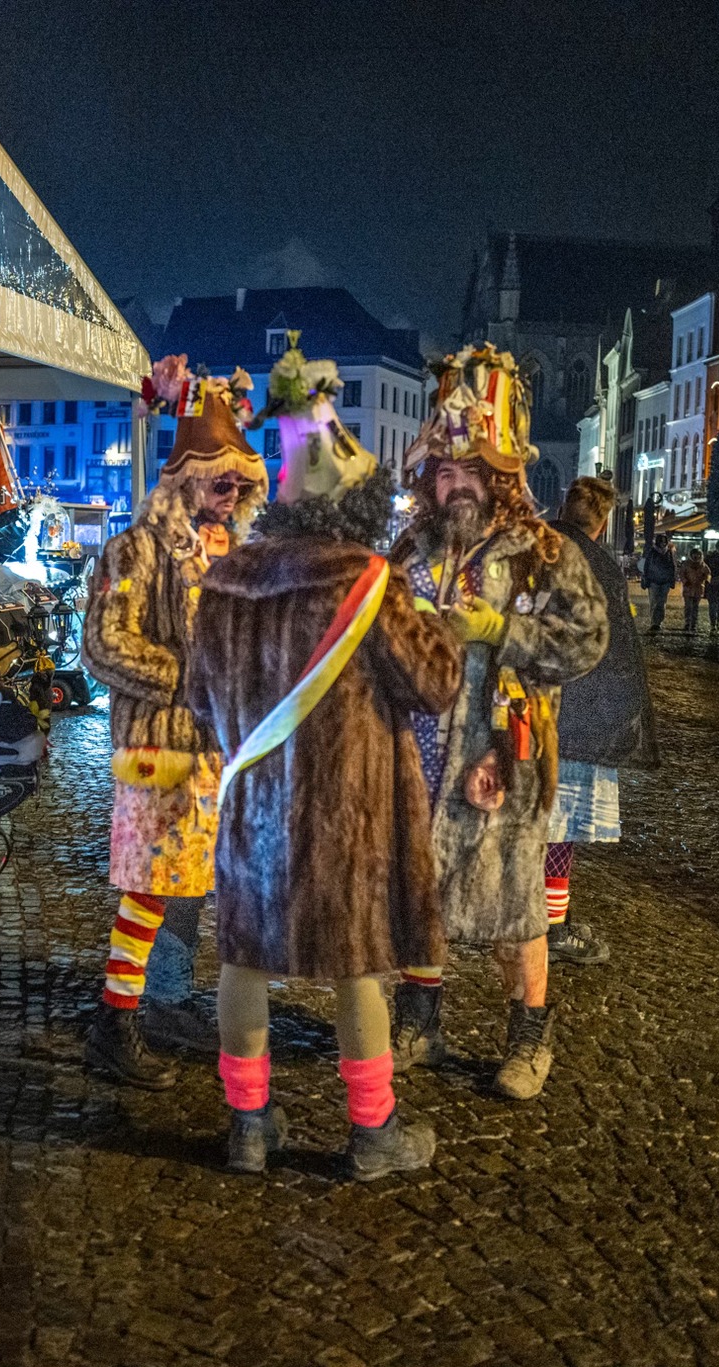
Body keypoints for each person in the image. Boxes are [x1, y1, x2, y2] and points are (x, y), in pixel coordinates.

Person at [185, 344, 461, 1178]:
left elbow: (200, 697)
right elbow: (438, 682)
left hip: (250, 815)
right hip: (348, 817)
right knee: (357, 972)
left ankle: (250, 1128)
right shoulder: (370, 579)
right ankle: (373, 1133)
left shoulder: (226, 578)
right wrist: (442, 621)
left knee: (242, 964)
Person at [387, 346, 609, 1100]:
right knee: (422, 905)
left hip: (504, 765)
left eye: (472, 471)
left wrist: (501, 633)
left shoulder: (542, 552)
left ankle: (529, 1036)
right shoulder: (410, 551)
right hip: (417, 758)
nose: (457, 485)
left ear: (501, 476)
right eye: (445, 471)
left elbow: (588, 639)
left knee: (518, 912)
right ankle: (420, 1019)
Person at [82, 356, 268, 1088]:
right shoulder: (138, 549)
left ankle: (164, 999)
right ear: (186, 475)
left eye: (239, 482)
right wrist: (187, 678)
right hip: (159, 746)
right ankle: (116, 1019)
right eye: (220, 478)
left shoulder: (241, 556)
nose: (231, 492)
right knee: (152, 886)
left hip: (222, 749)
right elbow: (102, 644)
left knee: (196, 881)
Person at [544, 477, 658, 966]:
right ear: (604, 521)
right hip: (577, 720)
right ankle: (551, 926)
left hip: (525, 712)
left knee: (532, 824)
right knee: (560, 826)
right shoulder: (600, 567)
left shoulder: (533, 549)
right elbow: (613, 652)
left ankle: (531, 918)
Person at [639, 532, 677, 634]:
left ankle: (658, 622)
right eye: (661, 541)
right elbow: (646, 566)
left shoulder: (669, 552)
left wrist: (672, 580)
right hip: (653, 581)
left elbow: (673, 566)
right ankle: (654, 622)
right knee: (654, 602)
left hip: (665, 581)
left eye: (664, 542)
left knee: (661, 602)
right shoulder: (652, 552)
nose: (663, 543)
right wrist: (646, 579)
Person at [677, 546, 709, 635]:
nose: (696, 557)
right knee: (688, 607)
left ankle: (694, 624)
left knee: (695, 607)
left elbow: (708, 574)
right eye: (695, 555)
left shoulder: (703, 565)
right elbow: (681, 574)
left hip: (698, 589)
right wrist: (685, 581)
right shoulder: (686, 564)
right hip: (688, 588)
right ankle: (687, 623)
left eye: (698, 555)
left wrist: (704, 579)